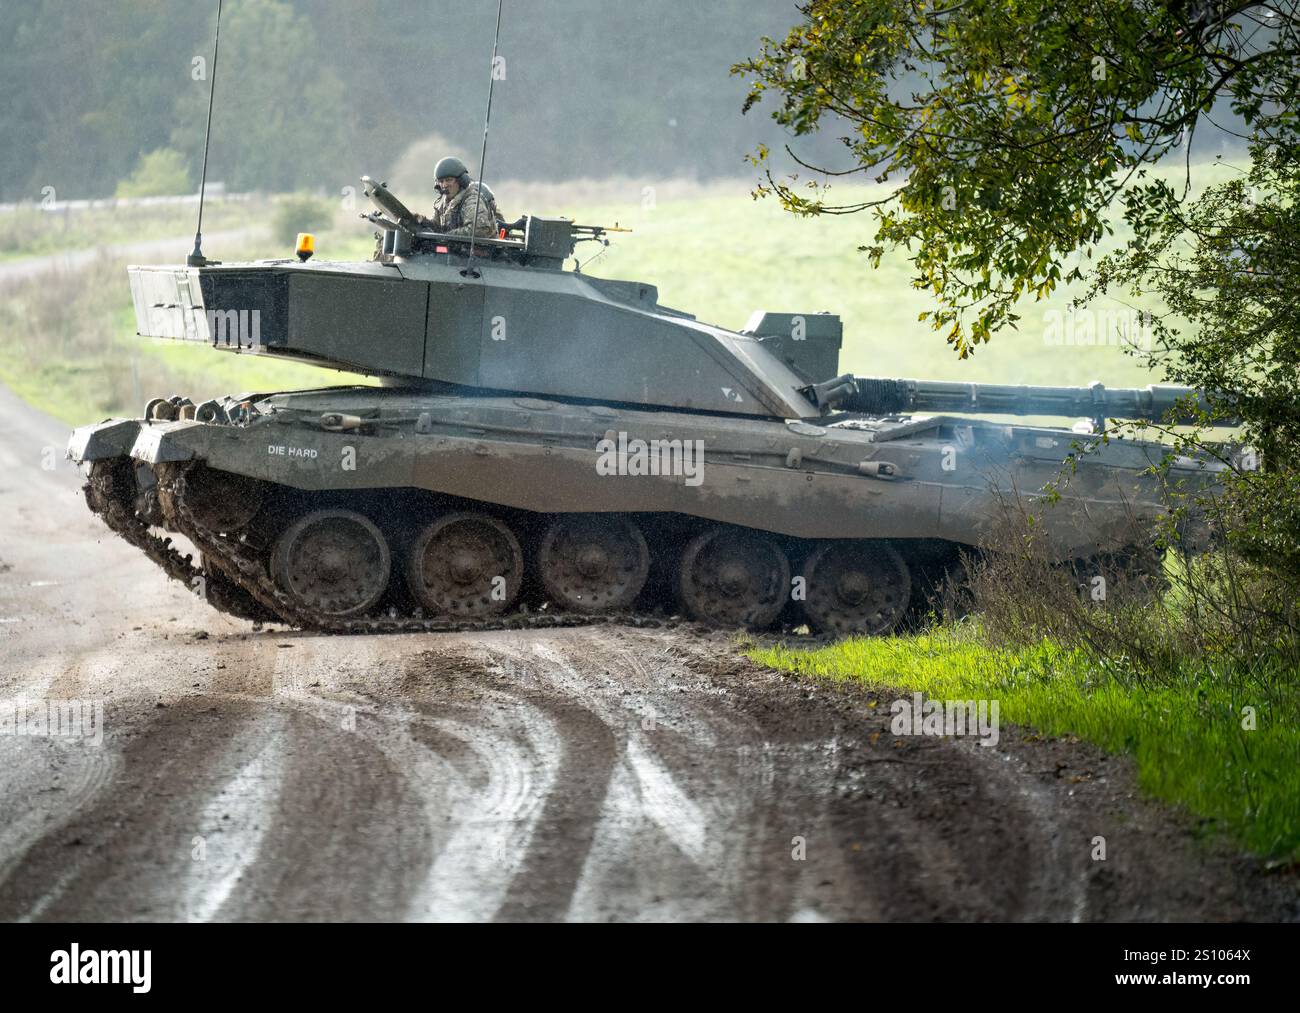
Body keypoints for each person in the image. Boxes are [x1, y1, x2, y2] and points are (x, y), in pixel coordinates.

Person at [420, 156, 502, 240]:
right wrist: (420, 221)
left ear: (461, 180)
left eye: (448, 180)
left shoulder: (472, 200)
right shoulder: (445, 203)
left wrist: (446, 236)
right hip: (456, 249)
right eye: (441, 181)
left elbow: (479, 230)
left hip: (478, 251)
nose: (444, 185)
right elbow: (437, 228)